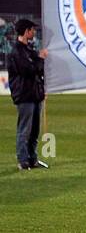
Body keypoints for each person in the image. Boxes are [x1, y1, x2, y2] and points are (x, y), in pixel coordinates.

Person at [6, 20, 48, 170]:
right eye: (32, 30)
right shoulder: (16, 52)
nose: (34, 33)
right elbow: (29, 71)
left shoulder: (28, 50)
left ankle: (33, 159)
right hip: (25, 96)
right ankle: (23, 160)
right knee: (25, 129)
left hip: (35, 94)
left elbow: (38, 71)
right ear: (26, 31)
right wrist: (41, 59)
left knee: (34, 129)